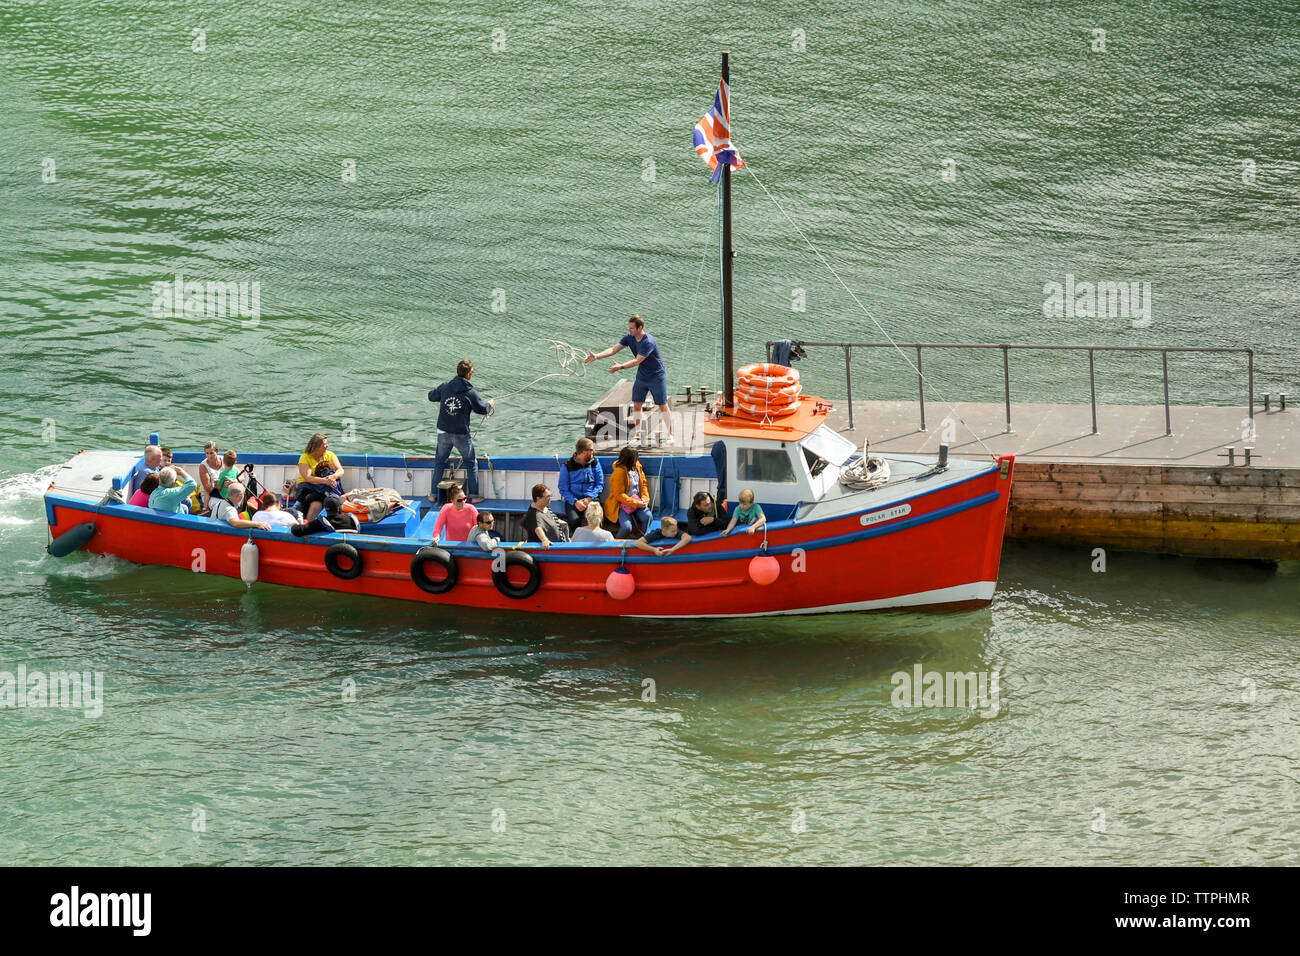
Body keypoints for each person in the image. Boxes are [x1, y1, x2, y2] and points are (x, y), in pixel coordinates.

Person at [584, 314, 674, 444]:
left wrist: (620, 367)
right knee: (637, 405)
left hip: (656, 376)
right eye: (629, 328)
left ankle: (671, 434)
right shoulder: (629, 337)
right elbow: (614, 349)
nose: (629, 330)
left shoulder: (648, 342)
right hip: (642, 376)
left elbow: (637, 361)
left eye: (632, 328)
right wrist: (597, 356)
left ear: (640, 328)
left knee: (662, 405)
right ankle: (638, 434)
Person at [428, 359, 494, 503]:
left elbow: (431, 396)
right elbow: (482, 409)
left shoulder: (445, 386)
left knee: (439, 462)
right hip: (461, 435)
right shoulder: (470, 393)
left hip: (443, 432)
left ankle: (433, 495)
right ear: (469, 375)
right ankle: (474, 496)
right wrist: (490, 405)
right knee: (471, 463)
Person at [604, 446, 651, 539]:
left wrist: (645, 499)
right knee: (627, 528)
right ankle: (615, 543)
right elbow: (618, 495)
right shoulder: (619, 472)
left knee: (648, 517)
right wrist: (636, 503)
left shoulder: (637, 466)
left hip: (638, 501)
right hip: (622, 505)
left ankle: (643, 539)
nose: (637, 460)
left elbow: (644, 483)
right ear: (630, 460)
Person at [558, 437, 604, 532]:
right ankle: (578, 540)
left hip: (591, 498)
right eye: (591, 450)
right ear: (584, 452)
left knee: (596, 519)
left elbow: (600, 484)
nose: (593, 452)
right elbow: (563, 488)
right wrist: (575, 502)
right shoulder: (567, 465)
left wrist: (589, 498)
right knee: (574, 521)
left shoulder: (595, 463)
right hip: (573, 500)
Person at [296, 432, 344, 523]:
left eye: (327, 444)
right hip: (308, 487)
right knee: (316, 504)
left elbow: (340, 470)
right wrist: (325, 481)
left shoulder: (330, 455)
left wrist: (333, 477)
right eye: (324, 444)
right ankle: (308, 525)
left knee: (334, 499)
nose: (327, 446)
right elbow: (308, 478)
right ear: (316, 446)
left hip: (325, 486)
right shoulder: (305, 457)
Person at [521, 484, 569, 550]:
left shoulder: (544, 507)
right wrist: (544, 540)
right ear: (538, 498)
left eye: (550, 496)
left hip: (558, 545)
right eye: (547, 497)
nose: (550, 499)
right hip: (546, 550)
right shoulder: (533, 514)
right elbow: (538, 528)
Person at [197, 440, 223, 508]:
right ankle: (205, 508)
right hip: (211, 493)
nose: (209, 456)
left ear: (217, 452)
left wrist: (233, 481)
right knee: (221, 506)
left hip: (225, 489)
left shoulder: (224, 460)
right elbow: (208, 489)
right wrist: (216, 483)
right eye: (207, 453)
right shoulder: (203, 466)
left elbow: (240, 475)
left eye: (211, 453)